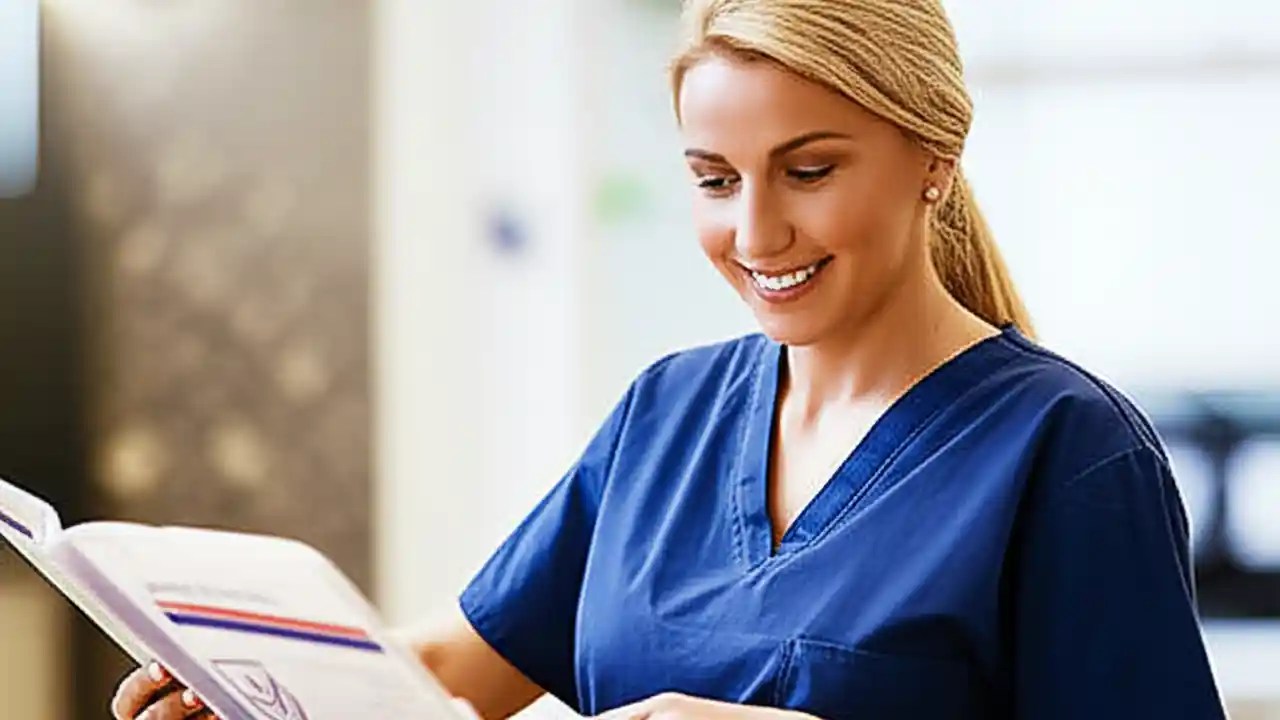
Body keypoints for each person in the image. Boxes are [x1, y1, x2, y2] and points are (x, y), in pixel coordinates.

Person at [112, 0, 1227, 718]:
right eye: (712, 179)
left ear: (932, 157)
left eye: (807, 170)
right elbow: (455, 673)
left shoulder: (1065, 452)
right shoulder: (668, 411)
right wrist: (240, 686)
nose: (752, 236)